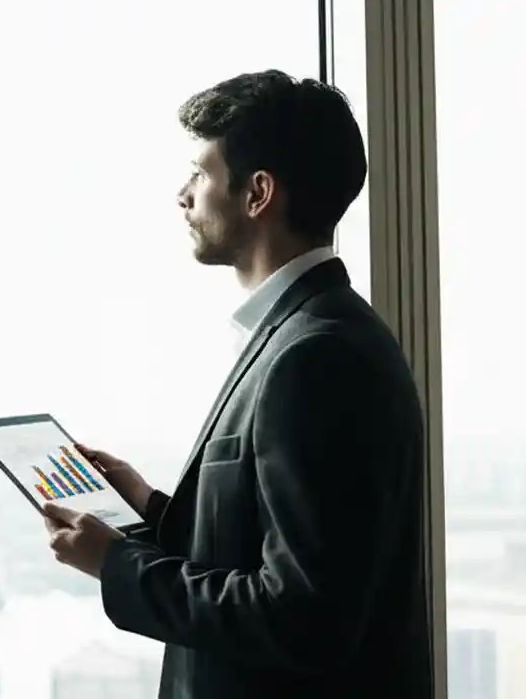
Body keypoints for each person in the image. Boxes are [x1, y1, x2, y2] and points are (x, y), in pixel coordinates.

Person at [41, 70, 433, 698]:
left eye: (199, 173)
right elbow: (272, 551)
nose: (183, 195)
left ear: (258, 194)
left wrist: (117, 566)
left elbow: (305, 616)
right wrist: (146, 507)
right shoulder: (308, 334)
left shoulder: (316, 355)